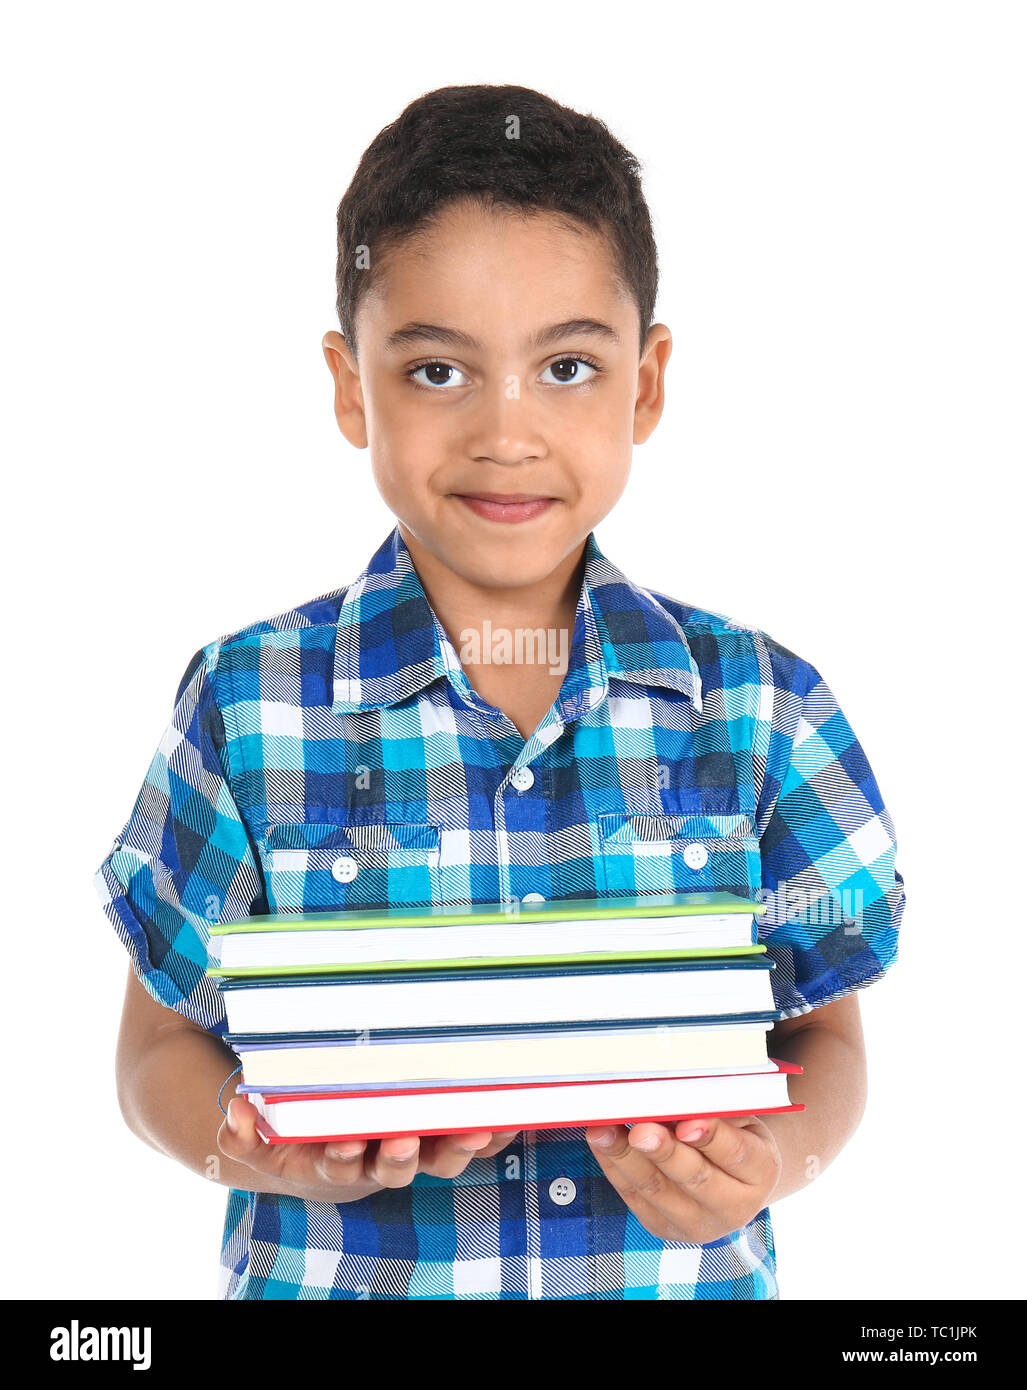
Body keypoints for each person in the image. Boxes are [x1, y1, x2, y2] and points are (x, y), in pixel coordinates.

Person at [95, 83, 905, 1301]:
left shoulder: (758, 704)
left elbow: (825, 1036)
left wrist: (771, 1157)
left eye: (568, 366)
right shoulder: (245, 700)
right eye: (435, 372)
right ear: (351, 385)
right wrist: (259, 1147)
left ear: (645, 383)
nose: (506, 432)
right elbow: (160, 1044)